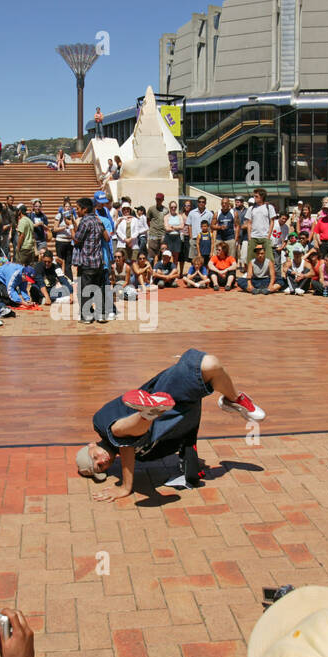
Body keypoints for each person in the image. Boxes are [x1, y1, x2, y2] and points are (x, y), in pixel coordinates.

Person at [77, 349, 265, 501]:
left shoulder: (99, 422)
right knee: (126, 438)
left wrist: (126, 487)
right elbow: (179, 440)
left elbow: (125, 445)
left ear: (91, 445)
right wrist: (190, 464)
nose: (101, 461)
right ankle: (149, 413)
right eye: (101, 467)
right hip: (174, 415)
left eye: (94, 458)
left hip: (160, 392)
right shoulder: (144, 456)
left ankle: (234, 399)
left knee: (210, 364)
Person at [73, 196, 108, 323]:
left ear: (85, 209)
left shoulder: (85, 222)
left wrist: (72, 227)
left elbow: (77, 239)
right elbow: (107, 238)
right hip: (98, 261)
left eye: (78, 208)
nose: (76, 211)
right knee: (98, 289)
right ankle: (101, 314)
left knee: (85, 291)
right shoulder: (98, 221)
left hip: (86, 262)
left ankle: (86, 316)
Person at [242, 188, 277, 265]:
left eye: (256, 196)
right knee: (250, 259)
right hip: (253, 237)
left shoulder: (269, 207)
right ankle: (250, 275)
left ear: (262, 197)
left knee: (269, 258)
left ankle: (270, 275)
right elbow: (249, 223)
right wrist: (249, 237)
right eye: (254, 196)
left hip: (265, 236)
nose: (254, 198)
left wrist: (268, 235)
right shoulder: (251, 208)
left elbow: (272, 221)